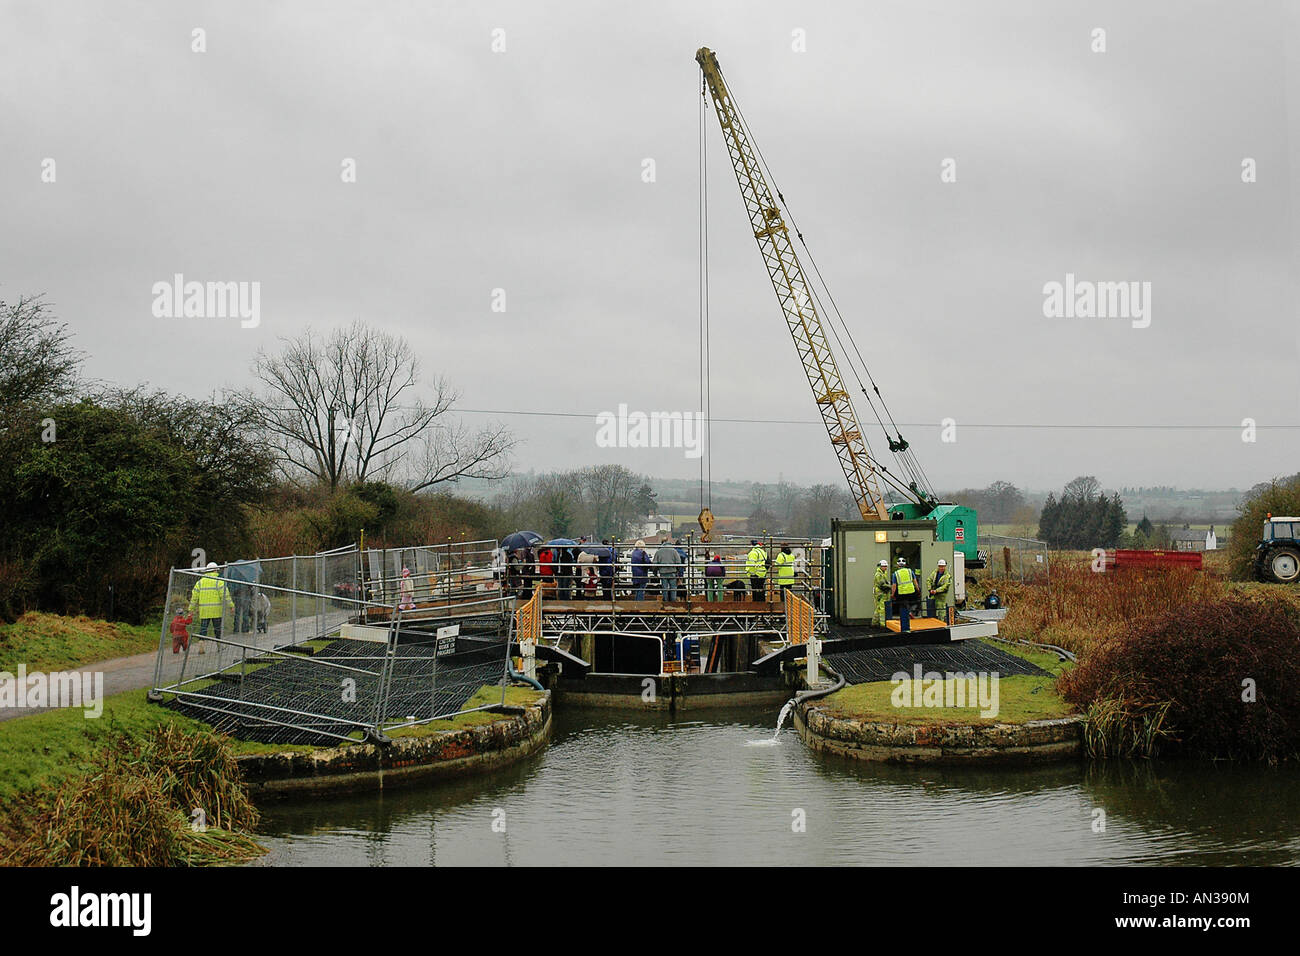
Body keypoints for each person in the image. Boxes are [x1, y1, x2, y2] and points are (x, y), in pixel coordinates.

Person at [188, 561, 233, 654]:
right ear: (216, 570)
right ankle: (220, 646)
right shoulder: (219, 582)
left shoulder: (200, 583)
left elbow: (194, 597)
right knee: (217, 629)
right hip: (216, 611)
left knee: (203, 629)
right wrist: (231, 606)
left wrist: (191, 610)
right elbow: (225, 595)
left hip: (204, 611)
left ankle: (201, 645)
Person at [890, 556, 921, 625]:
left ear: (898, 565)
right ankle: (911, 611)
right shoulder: (910, 571)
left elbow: (894, 585)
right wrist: (918, 591)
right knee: (914, 601)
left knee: (902, 604)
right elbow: (915, 582)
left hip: (902, 593)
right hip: (911, 592)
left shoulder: (895, 574)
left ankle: (906, 614)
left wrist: (892, 594)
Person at [872, 558, 890, 626]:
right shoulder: (879, 575)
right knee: (882, 609)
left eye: (886, 566)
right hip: (880, 594)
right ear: (880, 566)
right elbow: (882, 585)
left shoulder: (882, 573)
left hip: (880, 594)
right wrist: (890, 586)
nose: (885, 568)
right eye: (884, 566)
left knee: (878, 609)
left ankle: (874, 623)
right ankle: (882, 624)